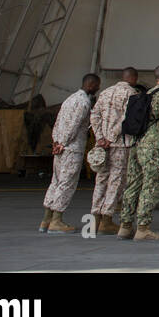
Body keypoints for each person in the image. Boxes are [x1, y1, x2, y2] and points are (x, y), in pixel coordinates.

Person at [118, 65, 159, 241]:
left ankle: (125, 226)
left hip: (137, 143)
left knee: (133, 184)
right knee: (151, 185)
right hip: (152, 146)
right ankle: (143, 228)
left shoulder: (147, 94)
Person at [40, 73, 99, 233]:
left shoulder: (70, 99)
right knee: (67, 183)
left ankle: (46, 219)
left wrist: (56, 142)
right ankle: (57, 220)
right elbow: (74, 124)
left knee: (56, 181)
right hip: (71, 149)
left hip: (60, 145)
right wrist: (64, 143)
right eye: (97, 85)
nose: (98, 89)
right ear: (91, 85)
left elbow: (58, 121)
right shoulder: (83, 102)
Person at [89, 67, 136, 233]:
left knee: (101, 179)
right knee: (116, 180)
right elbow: (126, 119)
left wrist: (100, 137)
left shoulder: (105, 92)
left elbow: (94, 115)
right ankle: (107, 220)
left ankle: (94, 219)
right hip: (119, 144)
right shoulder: (131, 94)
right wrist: (111, 137)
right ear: (133, 78)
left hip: (102, 145)